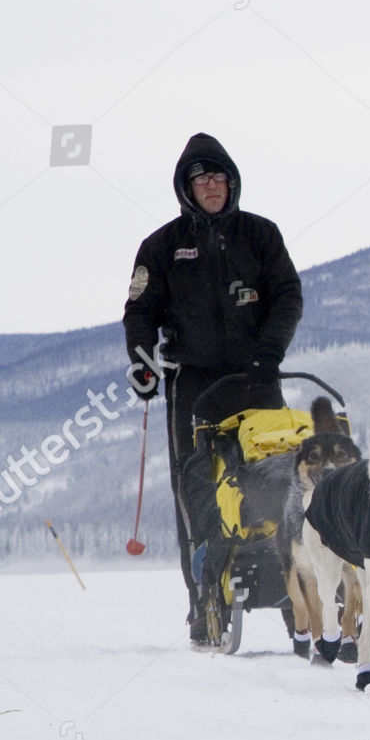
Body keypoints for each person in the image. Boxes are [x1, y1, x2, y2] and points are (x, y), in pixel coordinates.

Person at [123, 132, 303, 642]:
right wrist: (142, 363)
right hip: (192, 385)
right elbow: (139, 311)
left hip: (256, 376)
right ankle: (204, 602)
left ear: (232, 182)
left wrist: (270, 353)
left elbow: (288, 297)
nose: (211, 186)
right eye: (201, 179)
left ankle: (294, 597)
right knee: (196, 490)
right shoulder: (160, 247)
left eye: (218, 176)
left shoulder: (261, 235)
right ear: (186, 188)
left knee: (276, 482)